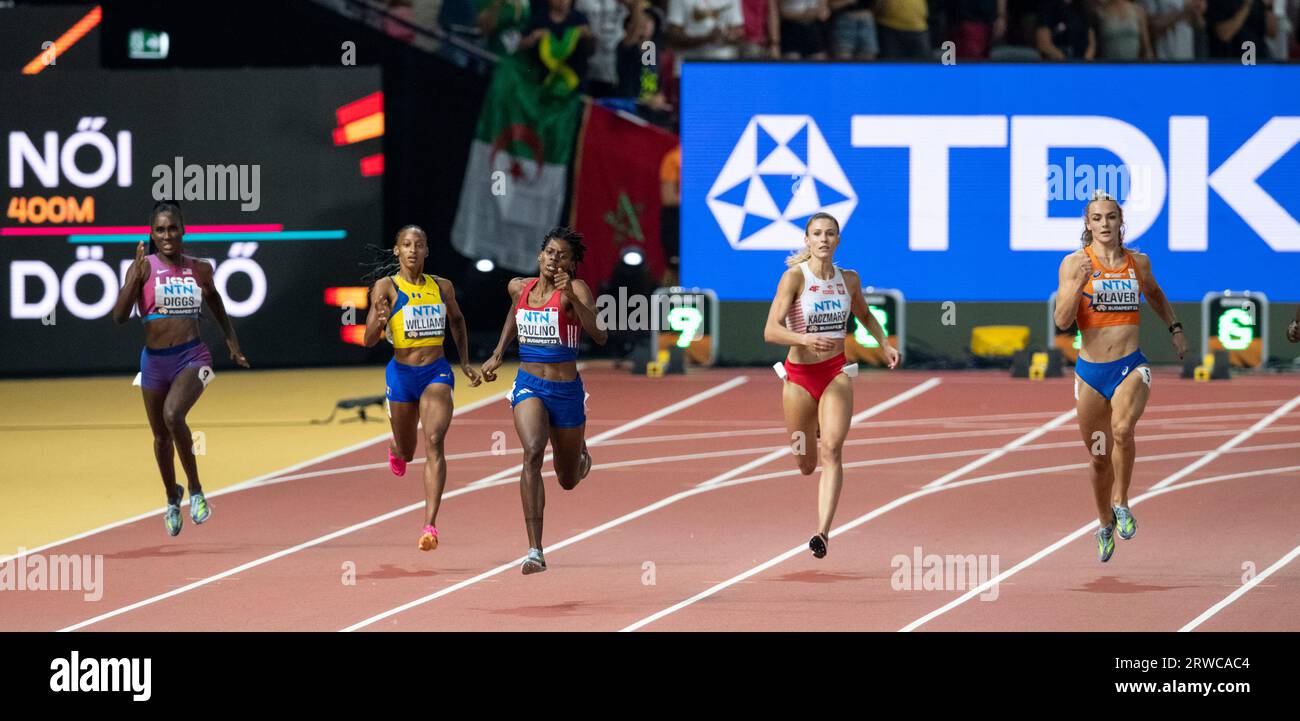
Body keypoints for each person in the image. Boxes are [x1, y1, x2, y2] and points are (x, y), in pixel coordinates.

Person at [1052, 190, 1186, 563]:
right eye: (1097, 218)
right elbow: (1062, 322)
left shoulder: (1138, 263)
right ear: (1088, 224)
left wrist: (1175, 327)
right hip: (1091, 373)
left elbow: (1156, 295)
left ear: (1120, 222)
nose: (1105, 224)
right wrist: (1078, 284)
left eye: (1111, 217)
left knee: (1124, 430)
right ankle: (1104, 521)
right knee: (1098, 457)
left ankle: (1122, 501)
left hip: (1131, 366)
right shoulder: (1074, 264)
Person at [763, 212, 899, 559]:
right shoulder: (795, 278)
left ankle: (822, 532)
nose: (823, 239)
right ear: (807, 241)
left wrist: (884, 343)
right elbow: (770, 331)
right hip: (798, 378)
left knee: (833, 450)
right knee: (806, 464)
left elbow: (866, 315)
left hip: (836, 373)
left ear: (838, 240)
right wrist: (804, 339)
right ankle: (816, 423)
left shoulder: (848, 280)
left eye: (830, 234)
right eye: (817, 234)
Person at [111, 201, 249, 537]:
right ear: (153, 234)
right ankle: (172, 497)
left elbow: (215, 300)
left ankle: (197, 491)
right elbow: (118, 317)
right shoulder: (142, 268)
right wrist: (134, 276)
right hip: (154, 362)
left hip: (193, 357)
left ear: (183, 230)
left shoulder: (200, 269)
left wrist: (232, 342)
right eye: (160, 229)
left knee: (174, 416)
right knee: (160, 436)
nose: (167, 235)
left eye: (173, 228)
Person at [480, 227, 608, 574]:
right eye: (549, 252)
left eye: (562, 255)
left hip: (566, 391)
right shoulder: (519, 288)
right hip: (529, 385)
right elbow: (513, 314)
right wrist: (497, 354)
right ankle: (534, 549)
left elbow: (599, 334)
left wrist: (575, 298)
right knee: (533, 450)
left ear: (572, 263)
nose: (554, 259)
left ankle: (580, 457)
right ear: (540, 256)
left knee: (567, 480)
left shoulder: (576, 290)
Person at [364, 225, 481, 552]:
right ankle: (396, 447)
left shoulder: (442, 287)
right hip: (401, 375)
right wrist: (381, 320)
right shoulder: (386, 286)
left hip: (436, 372)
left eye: (419, 244)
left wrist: (465, 362)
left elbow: (457, 322)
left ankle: (430, 525)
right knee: (408, 451)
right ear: (397, 251)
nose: (413, 250)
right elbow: (367, 338)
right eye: (406, 244)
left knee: (434, 440)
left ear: (428, 251)